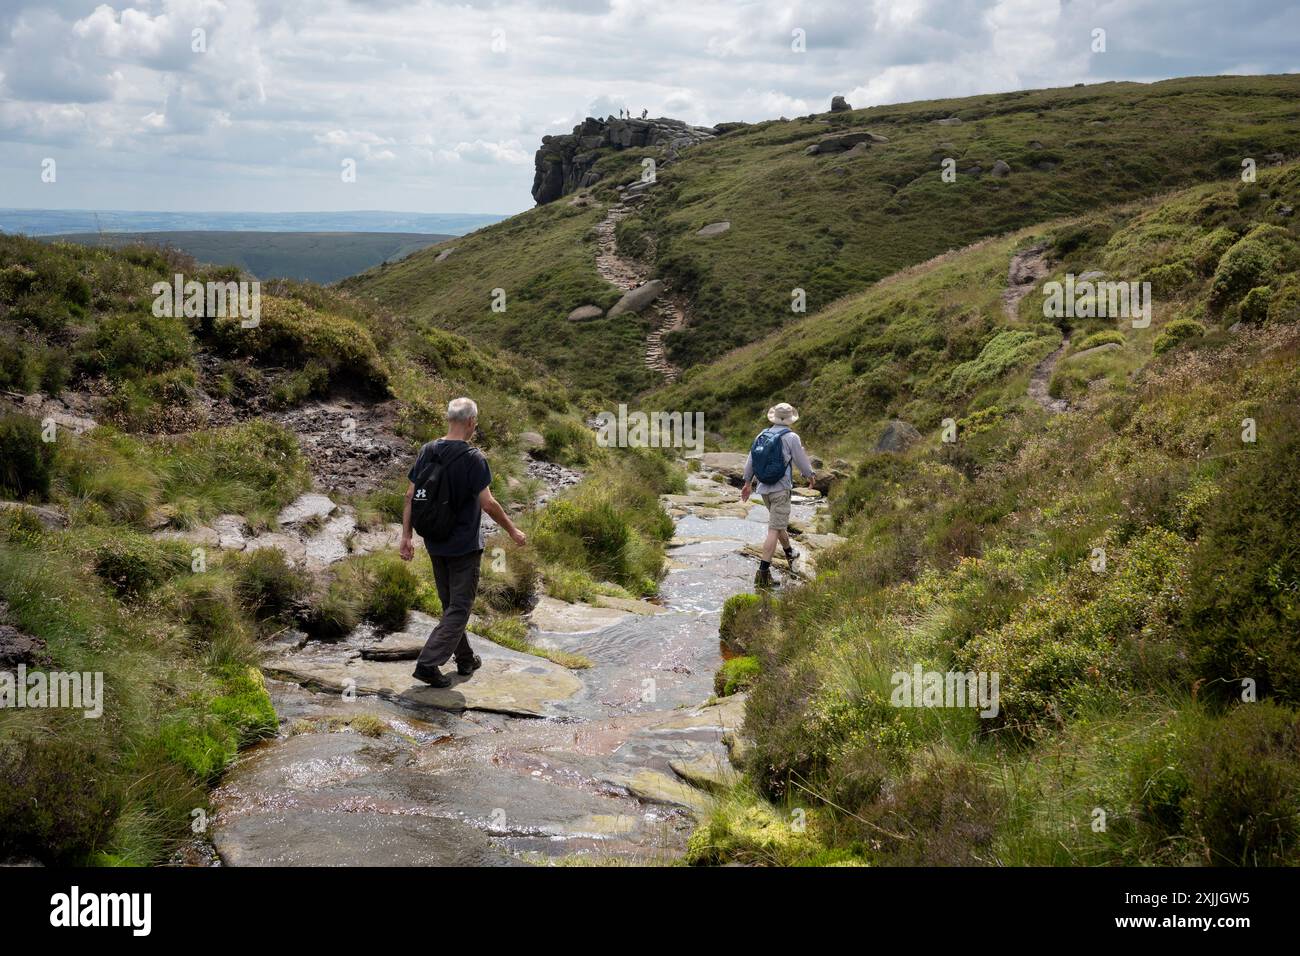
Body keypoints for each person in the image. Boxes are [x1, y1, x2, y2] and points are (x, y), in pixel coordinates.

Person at [399, 397, 526, 688]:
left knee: (451, 606)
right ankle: (428, 663)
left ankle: (466, 658)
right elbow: (488, 503)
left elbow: (409, 496)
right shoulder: (473, 458)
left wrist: (406, 536)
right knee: (460, 607)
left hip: (434, 540)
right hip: (464, 545)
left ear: (449, 419)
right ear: (471, 422)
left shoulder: (427, 450)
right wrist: (513, 531)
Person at [740, 402, 815, 589]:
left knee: (778, 524)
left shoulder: (762, 435)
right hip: (781, 489)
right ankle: (763, 574)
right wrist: (810, 475)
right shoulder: (791, 437)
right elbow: (800, 459)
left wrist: (747, 483)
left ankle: (790, 553)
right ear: (790, 419)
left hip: (764, 489)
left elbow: (751, 460)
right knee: (774, 529)